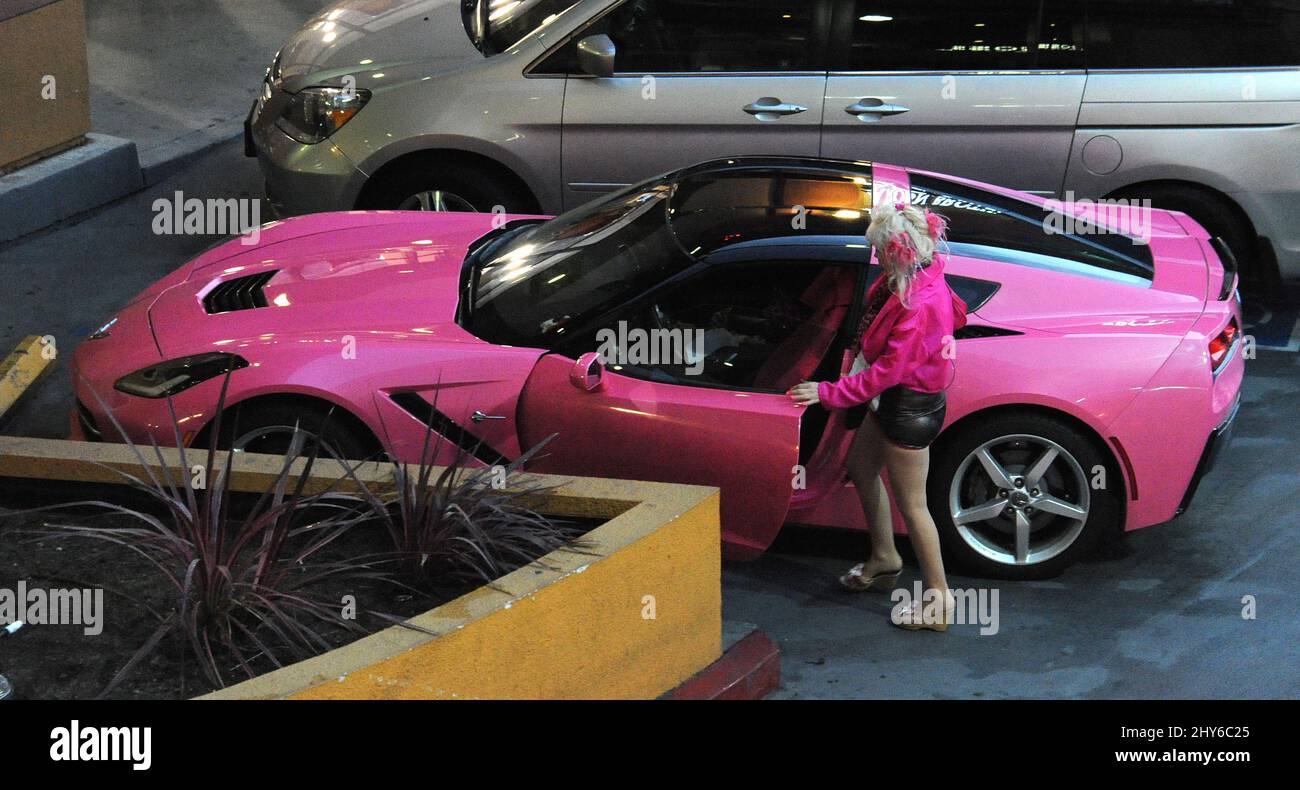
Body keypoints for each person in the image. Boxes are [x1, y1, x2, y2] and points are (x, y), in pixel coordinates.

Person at [788, 201, 967, 631]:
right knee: (860, 467)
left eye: (880, 249)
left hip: (906, 408)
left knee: (914, 505)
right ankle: (886, 557)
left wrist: (828, 392)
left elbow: (887, 374)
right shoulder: (914, 276)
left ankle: (940, 602)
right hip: (890, 402)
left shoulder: (917, 302)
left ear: (898, 250)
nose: (875, 256)